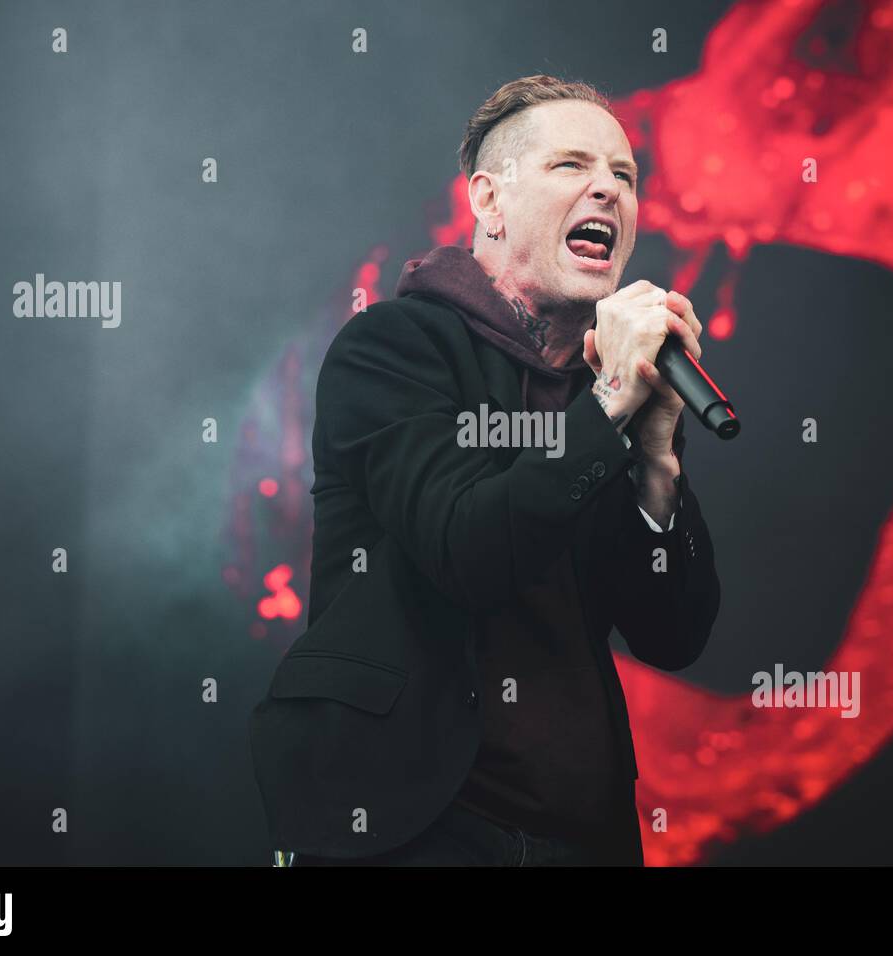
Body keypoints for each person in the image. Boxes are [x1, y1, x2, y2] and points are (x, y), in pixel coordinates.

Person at [249, 74, 722, 867]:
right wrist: (606, 407)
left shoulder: (605, 397)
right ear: (489, 202)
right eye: (572, 166)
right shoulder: (395, 349)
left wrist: (657, 464)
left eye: (625, 176)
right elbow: (466, 550)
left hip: (579, 837)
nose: (608, 188)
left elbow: (673, 636)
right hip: (417, 828)